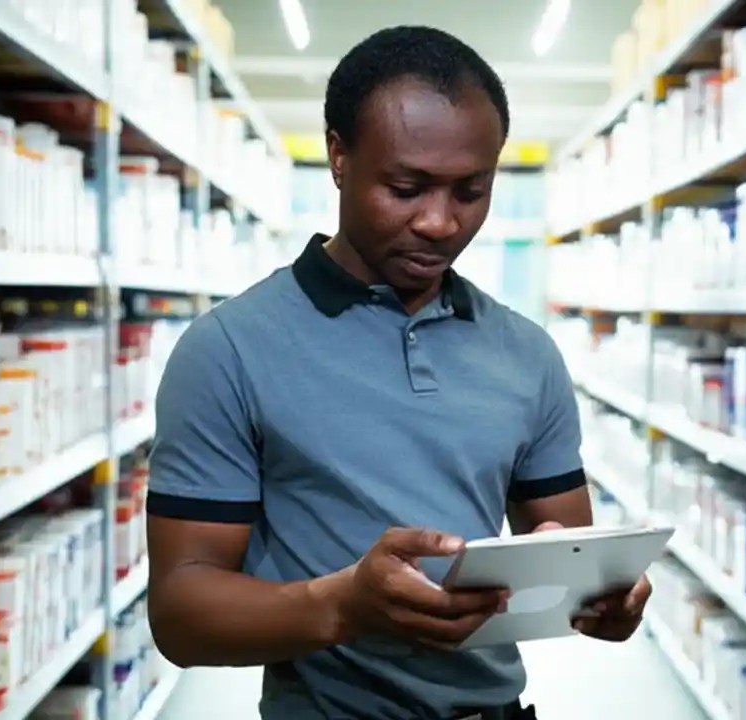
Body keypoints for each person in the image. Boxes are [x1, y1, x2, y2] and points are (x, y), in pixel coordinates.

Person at [145, 25, 652, 720]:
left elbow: (566, 548)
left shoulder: (526, 353)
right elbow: (181, 614)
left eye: (471, 191)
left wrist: (607, 598)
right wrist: (345, 604)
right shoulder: (229, 350)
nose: (441, 223)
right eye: (406, 187)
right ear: (337, 156)